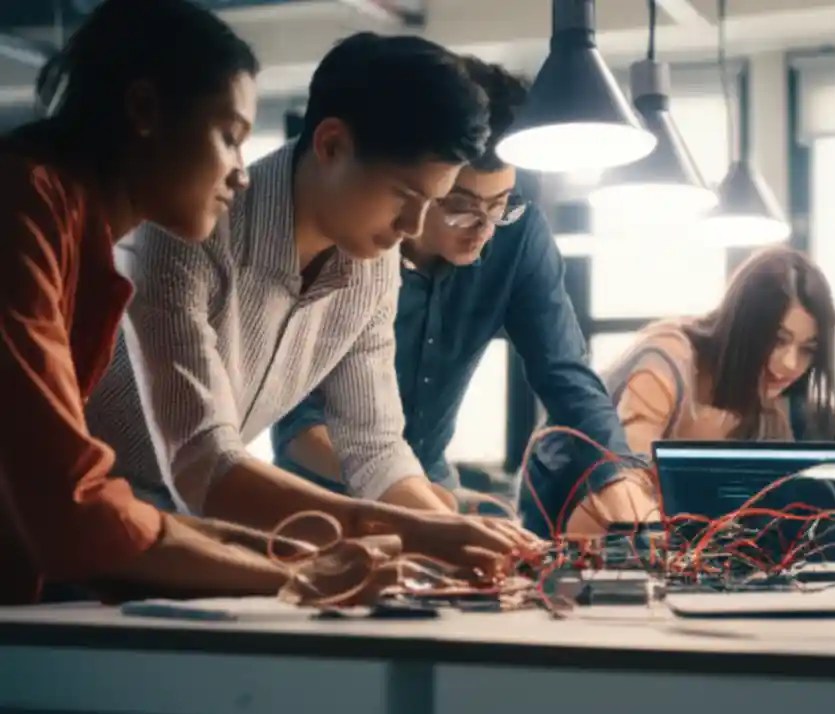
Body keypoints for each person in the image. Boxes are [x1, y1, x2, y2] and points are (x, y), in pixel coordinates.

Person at [83, 34, 534, 577]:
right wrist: (419, 533)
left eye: (433, 203)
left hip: (194, 531)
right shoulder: (187, 223)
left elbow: (374, 449)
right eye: (404, 196)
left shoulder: (374, 262)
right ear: (331, 144)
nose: (413, 228)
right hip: (71, 523)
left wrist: (462, 535)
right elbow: (205, 464)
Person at [0, 0, 298, 604]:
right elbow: (73, 510)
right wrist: (298, 580)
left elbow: (83, 509)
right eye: (229, 137)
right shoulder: (22, 207)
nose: (241, 174)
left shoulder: (68, 225)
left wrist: (271, 552)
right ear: (144, 110)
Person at [272, 57, 647, 530]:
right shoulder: (349, 245)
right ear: (428, 182)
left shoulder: (518, 233)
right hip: (319, 497)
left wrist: (617, 476)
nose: (485, 231)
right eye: (461, 207)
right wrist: (408, 494)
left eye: (500, 206)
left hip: (429, 487)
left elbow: (564, 372)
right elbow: (297, 428)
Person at [523, 245, 835, 537]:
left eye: (807, 349)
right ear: (745, 325)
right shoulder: (667, 360)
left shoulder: (779, 399)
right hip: (562, 503)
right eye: (778, 339)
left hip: (660, 534)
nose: (788, 363)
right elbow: (626, 486)